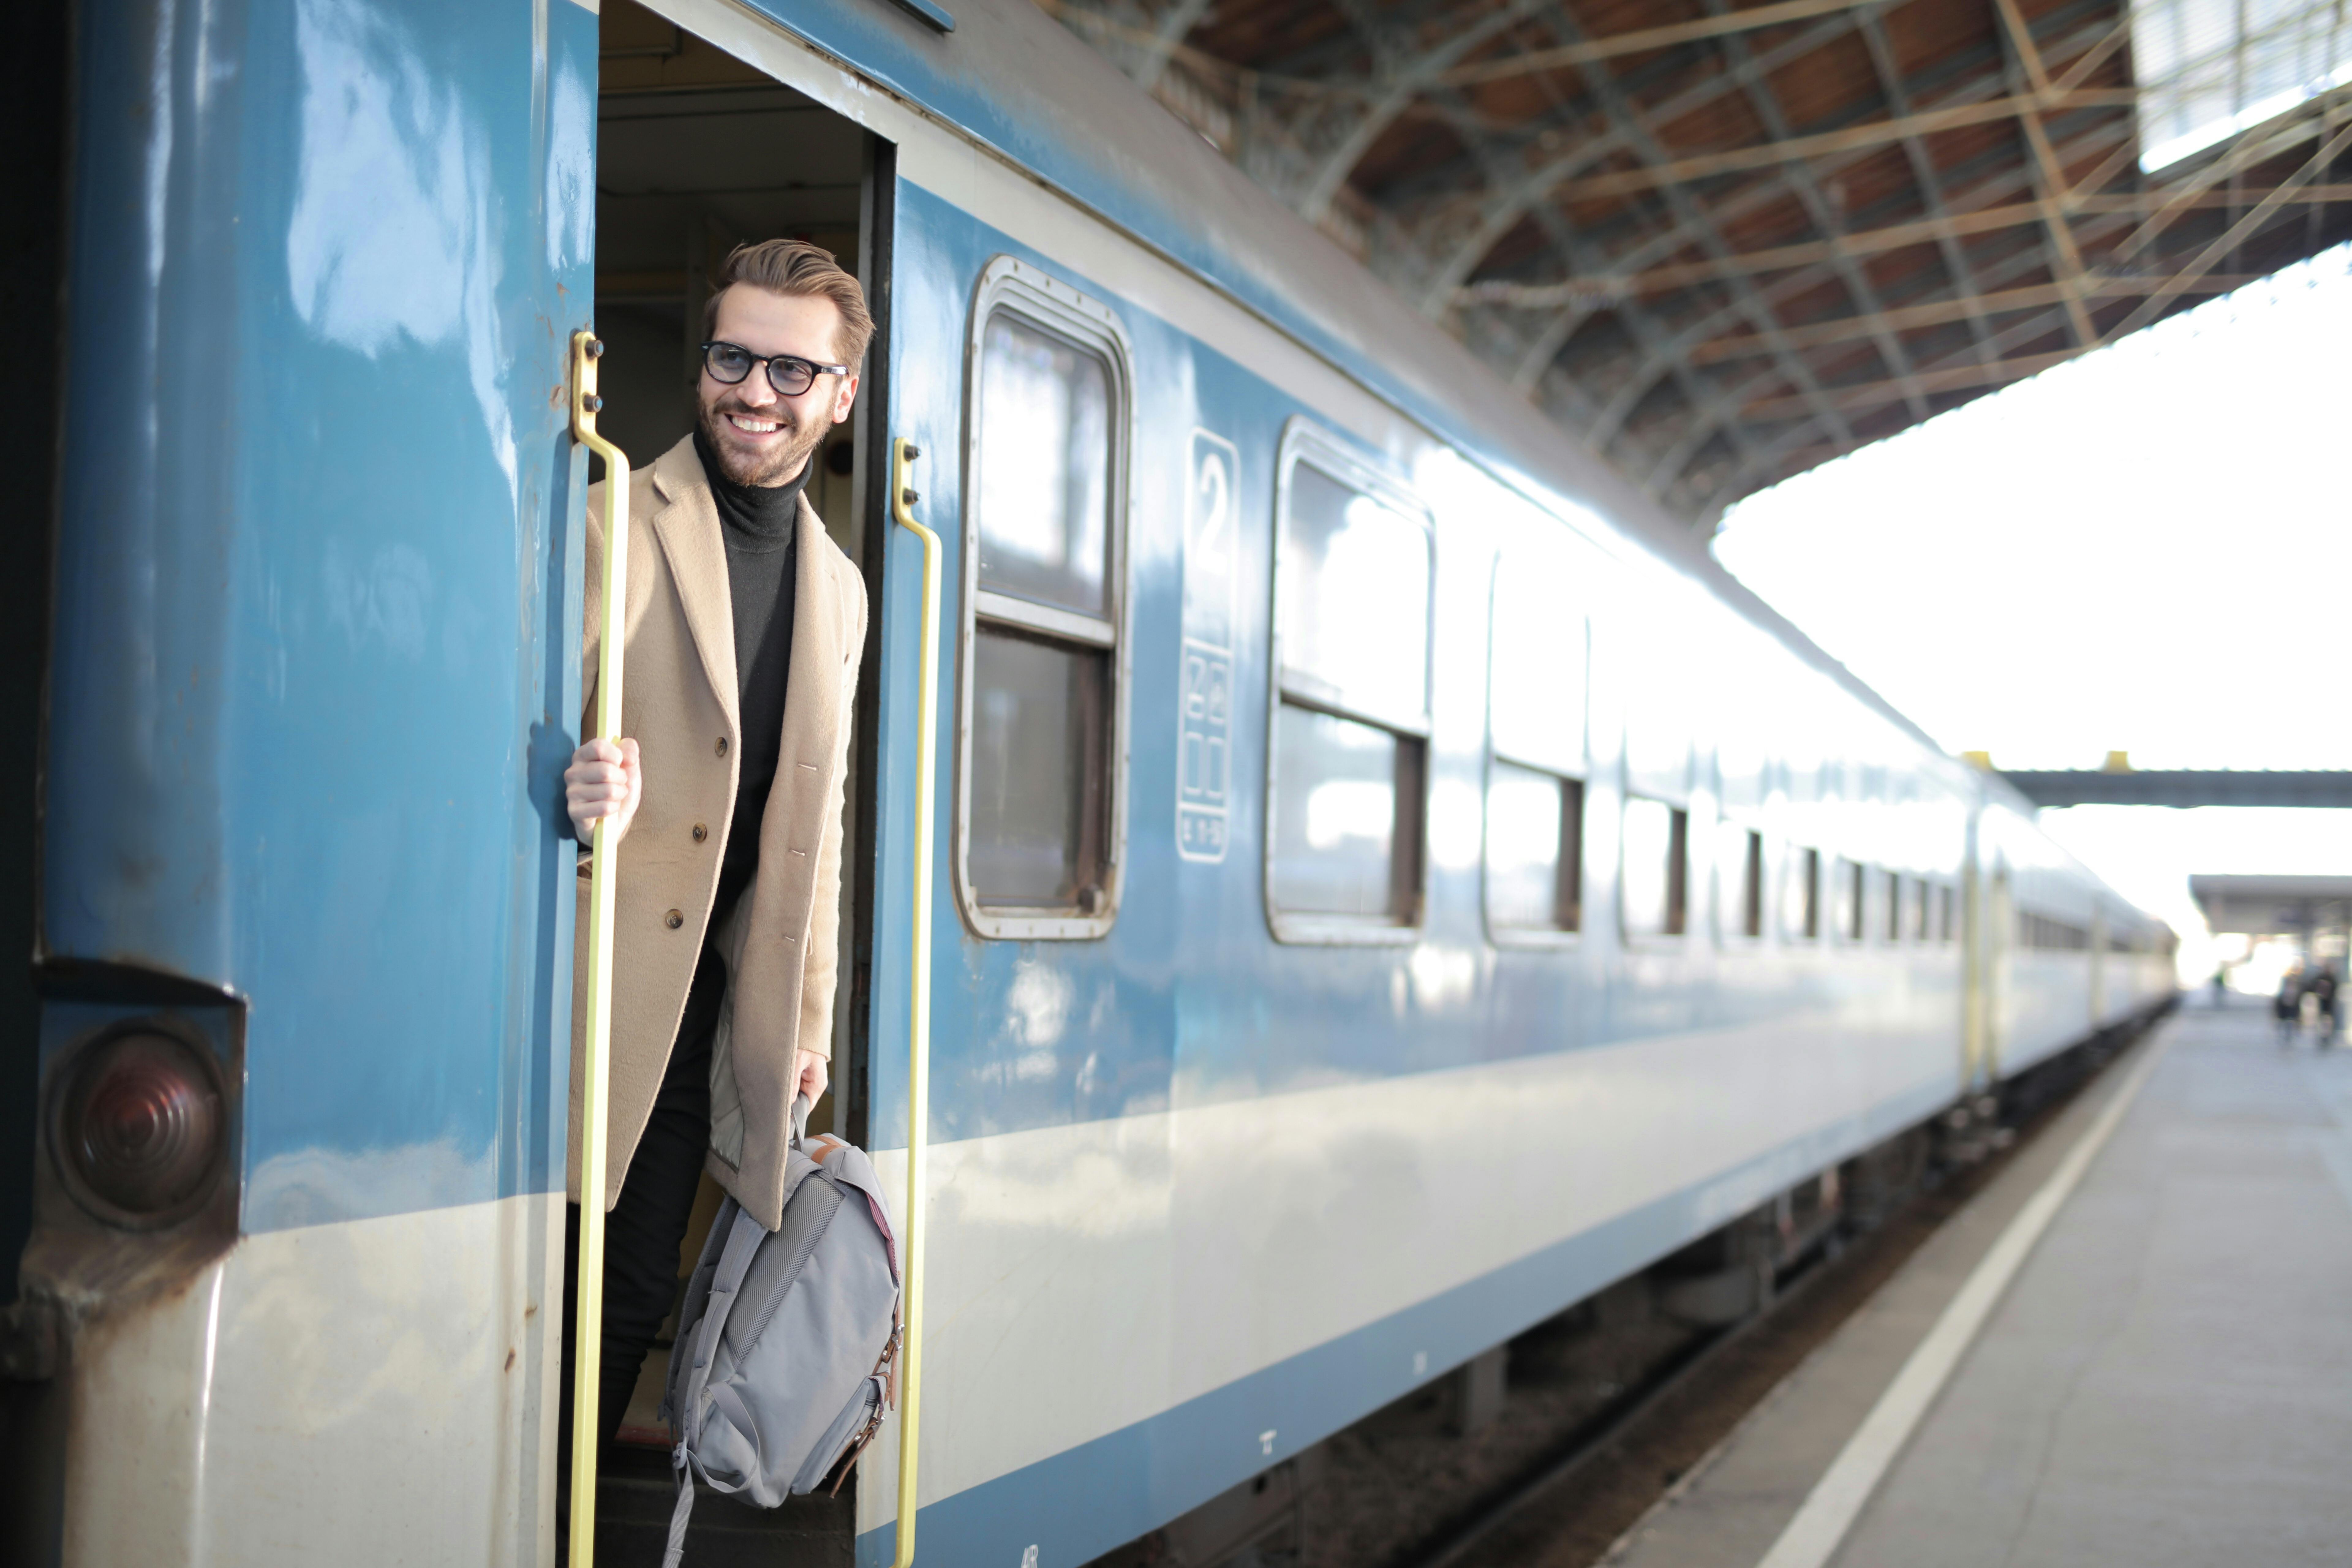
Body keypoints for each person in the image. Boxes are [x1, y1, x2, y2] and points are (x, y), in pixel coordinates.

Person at [556, 239, 871, 1520]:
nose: (755, 389)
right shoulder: (612, 513)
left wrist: (802, 1025)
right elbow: (495, 723)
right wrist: (564, 786)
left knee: (630, 1294)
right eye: (733, 356)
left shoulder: (840, 590)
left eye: (792, 368)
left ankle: (553, 1520)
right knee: (557, 1275)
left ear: (840, 395)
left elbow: (820, 825)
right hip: (584, 992)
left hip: (713, 1010)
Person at [2312, 963, 2339, 1049]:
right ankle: (2322, 1037)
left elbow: (2335, 989)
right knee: (2322, 1022)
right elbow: (2314, 986)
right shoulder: (2321, 977)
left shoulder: (2332, 979)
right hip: (2322, 1004)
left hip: (2330, 1005)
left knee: (2328, 1022)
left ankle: (2327, 1037)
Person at [2276, 965, 2304, 1046]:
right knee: (2284, 1020)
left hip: (2293, 1003)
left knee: (2291, 1021)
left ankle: (2289, 1036)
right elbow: (2281, 992)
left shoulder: (2298, 982)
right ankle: (2283, 1035)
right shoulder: (2285, 980)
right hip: (2285, 1003)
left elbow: (2299, 993)